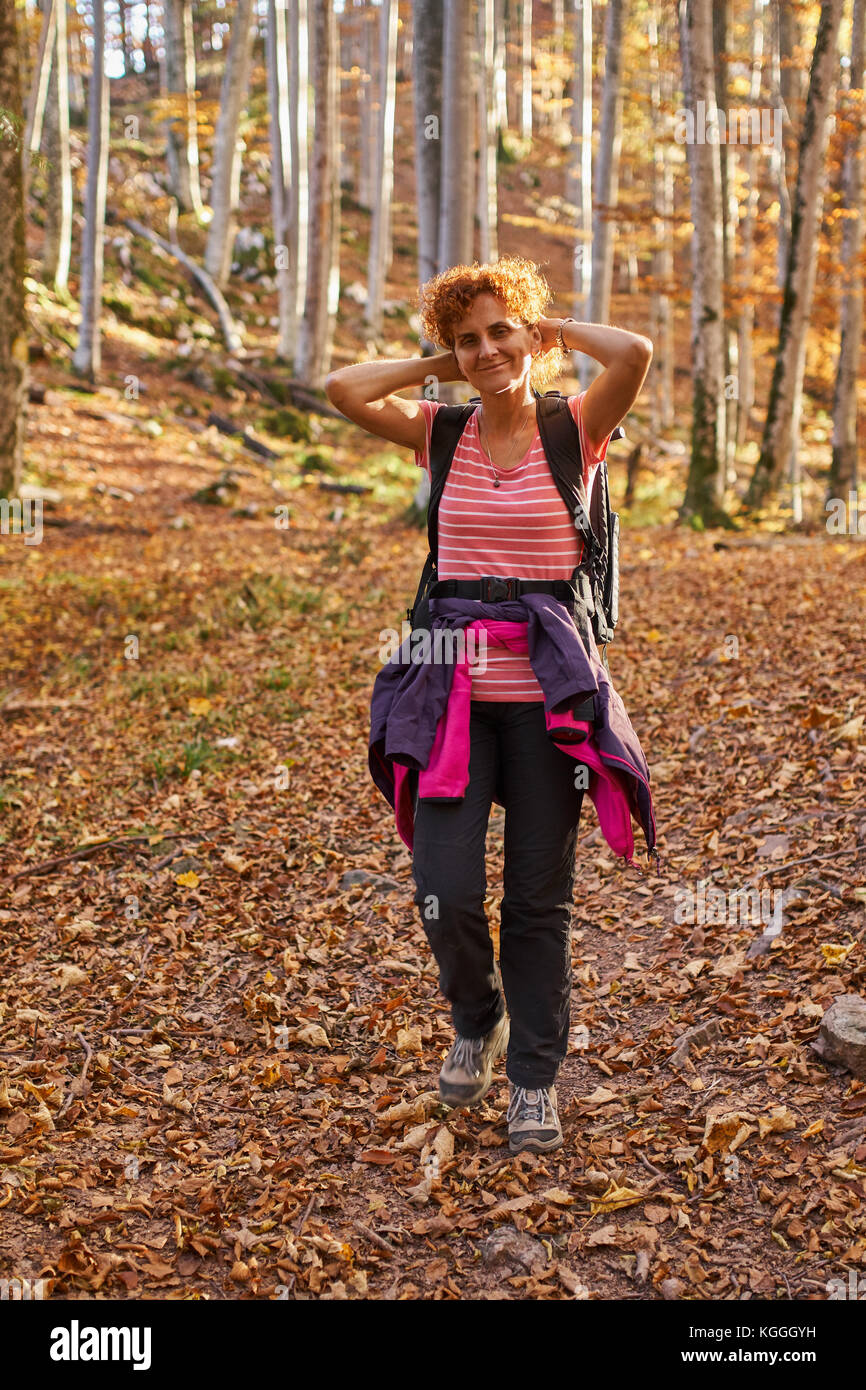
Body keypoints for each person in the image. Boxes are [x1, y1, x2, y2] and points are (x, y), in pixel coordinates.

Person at [325, 255, 652, 1154]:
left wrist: (553, 335)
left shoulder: (574, 427)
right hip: (452, 698)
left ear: (531, 332)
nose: (484, 350)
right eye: (465, 338)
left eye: (499, 330)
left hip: (548, 704)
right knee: (445, 887)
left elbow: (634, 352)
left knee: (537, 903)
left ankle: (535, 1082)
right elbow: (343, 387)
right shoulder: (443, 432)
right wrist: (437, 368)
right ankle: (478, 1017)